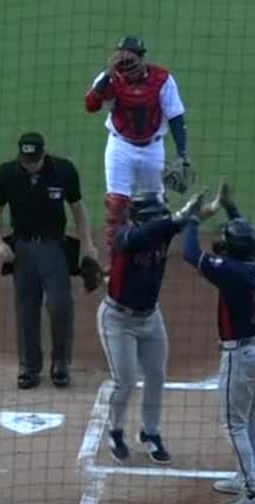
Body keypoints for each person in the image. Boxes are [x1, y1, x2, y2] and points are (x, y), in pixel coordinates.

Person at [178, 181, 255, 504]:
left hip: (241, 357)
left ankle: (252, 493)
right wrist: (231, 208)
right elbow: (247, 236)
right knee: (247, 419)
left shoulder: (231, 273)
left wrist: (191, 218)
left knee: (234, 424)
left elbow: (190, 254)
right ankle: (244, 477)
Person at [98, 190, 203, 464]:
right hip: (117, 320)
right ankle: (116, 431)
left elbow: (184, 221)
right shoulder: (126, 237)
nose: (161, 222)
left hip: (150, 318)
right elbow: (151, 232)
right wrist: (176, 217)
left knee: (156, 375)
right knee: (126, 380)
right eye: (156, 218)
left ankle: (150, 433)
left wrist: (203, 210)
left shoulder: (161, 232)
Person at [0, 132, 99, 389]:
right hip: (23, 249)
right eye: (26, 160)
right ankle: (29, 367)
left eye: (34, 159)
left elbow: (78, 208)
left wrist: (88, 245)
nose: (30, 164)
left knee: (61, 305)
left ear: (43, 154)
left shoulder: (64, 171)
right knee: (26, 308)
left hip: (54, 247)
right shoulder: (5, 175)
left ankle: (61, 363)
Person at [84, 35, 194, 258]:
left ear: (142, 59)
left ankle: (155, 250)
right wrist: (106, 76)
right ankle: (117, 257)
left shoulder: (162, 79)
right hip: (120, 147)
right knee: (116, 205)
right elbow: (91, 105)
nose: (127, 70)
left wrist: (182, 154)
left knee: (154, 205)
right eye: (122, 64)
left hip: (153, 149)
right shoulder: (110, 80)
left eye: (131, 63)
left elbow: (176, 118)